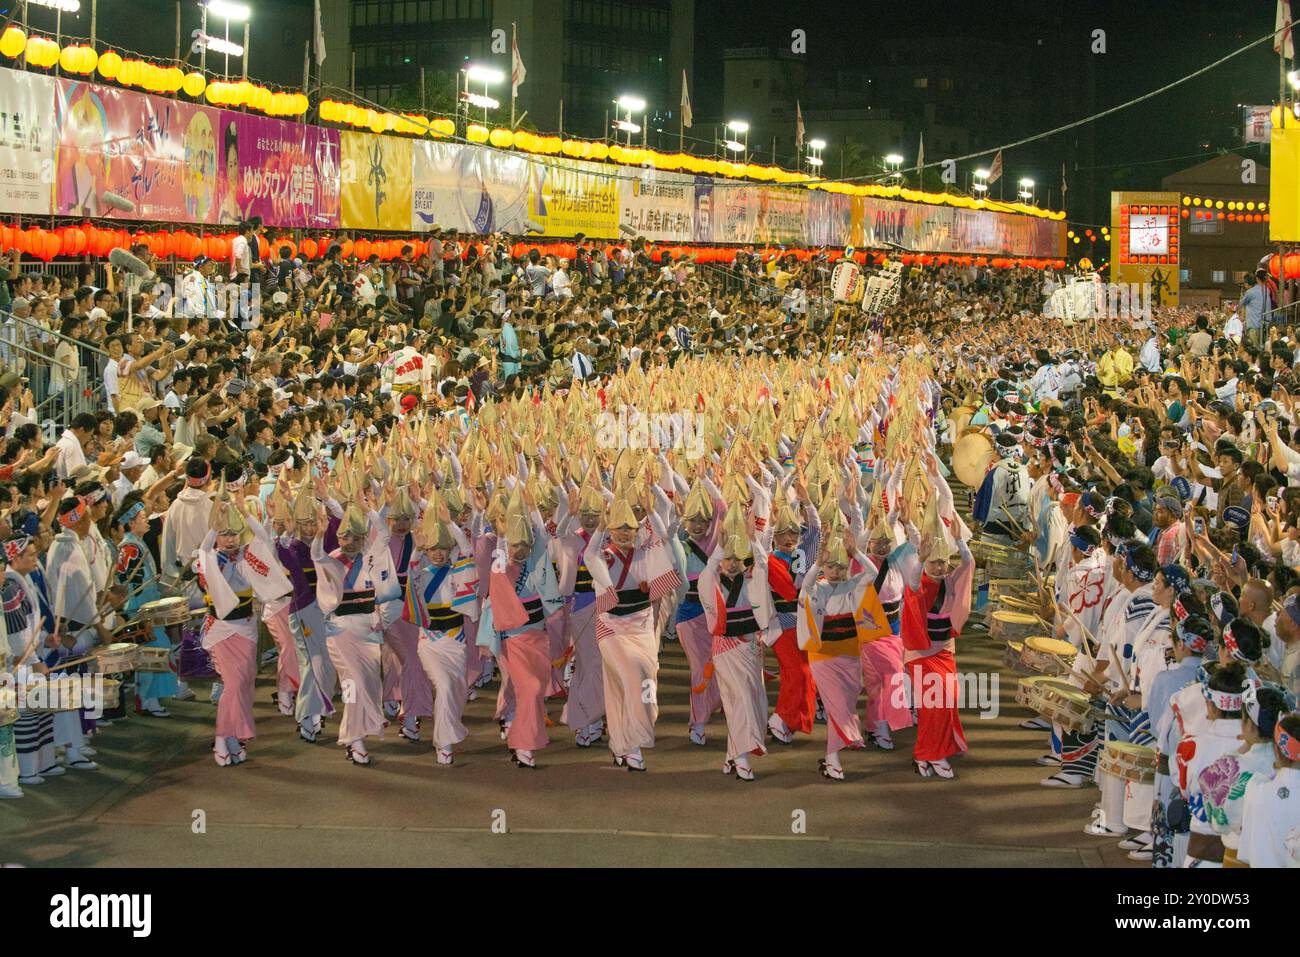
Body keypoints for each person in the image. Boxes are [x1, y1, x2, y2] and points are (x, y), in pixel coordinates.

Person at [584, 489, 682, 772]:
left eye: (630, 528)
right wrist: (600, 525)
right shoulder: (604, 557)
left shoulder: (646, 554)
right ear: (610, 530)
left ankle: (620, 744)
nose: (625, 533)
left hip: (641, 629)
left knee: (642, 684)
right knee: (634, 675)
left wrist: (651, 511)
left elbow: (664, 539)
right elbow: (589, 554)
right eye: (618, 528)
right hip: (612, 630)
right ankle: (635, 746)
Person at [197, 489, 293, 766]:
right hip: (221, 630)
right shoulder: (208, 558)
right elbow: (204, 550)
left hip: (247, 629)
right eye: (223, 533)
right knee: (233, 683)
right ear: (215, 535)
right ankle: (221, 736)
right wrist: (213, 528)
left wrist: (245, 511)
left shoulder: (246, 556)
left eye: (233, 533)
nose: (229, 539)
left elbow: (264, 539)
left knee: (244, 685)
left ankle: (233, 737)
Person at [312, 496, 400, 766]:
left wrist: (369, 510)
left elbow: (384, 532)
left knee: (369, 685)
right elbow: (315, 554)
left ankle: (353, 737)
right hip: (339, 633)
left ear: (363, 538)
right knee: (353, 683)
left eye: (356, 538)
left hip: (368, 632)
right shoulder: (330, 561)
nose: (349, 543)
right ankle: (355, 738)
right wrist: (319, 532)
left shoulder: (371, 558)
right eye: (344, 537)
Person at [698, 503, 778, 781]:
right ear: (720, 559)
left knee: (750, 700)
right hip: (725, 649)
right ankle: (742, 757)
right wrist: (719, 547)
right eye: (727, 558)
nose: (733, 563)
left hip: (750, 648)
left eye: (738, 559)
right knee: (740, 701)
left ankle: (733, 756)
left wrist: (753, 538)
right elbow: (708, 570)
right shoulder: (712, 581)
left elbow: (764, 564)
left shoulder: (751, 578)